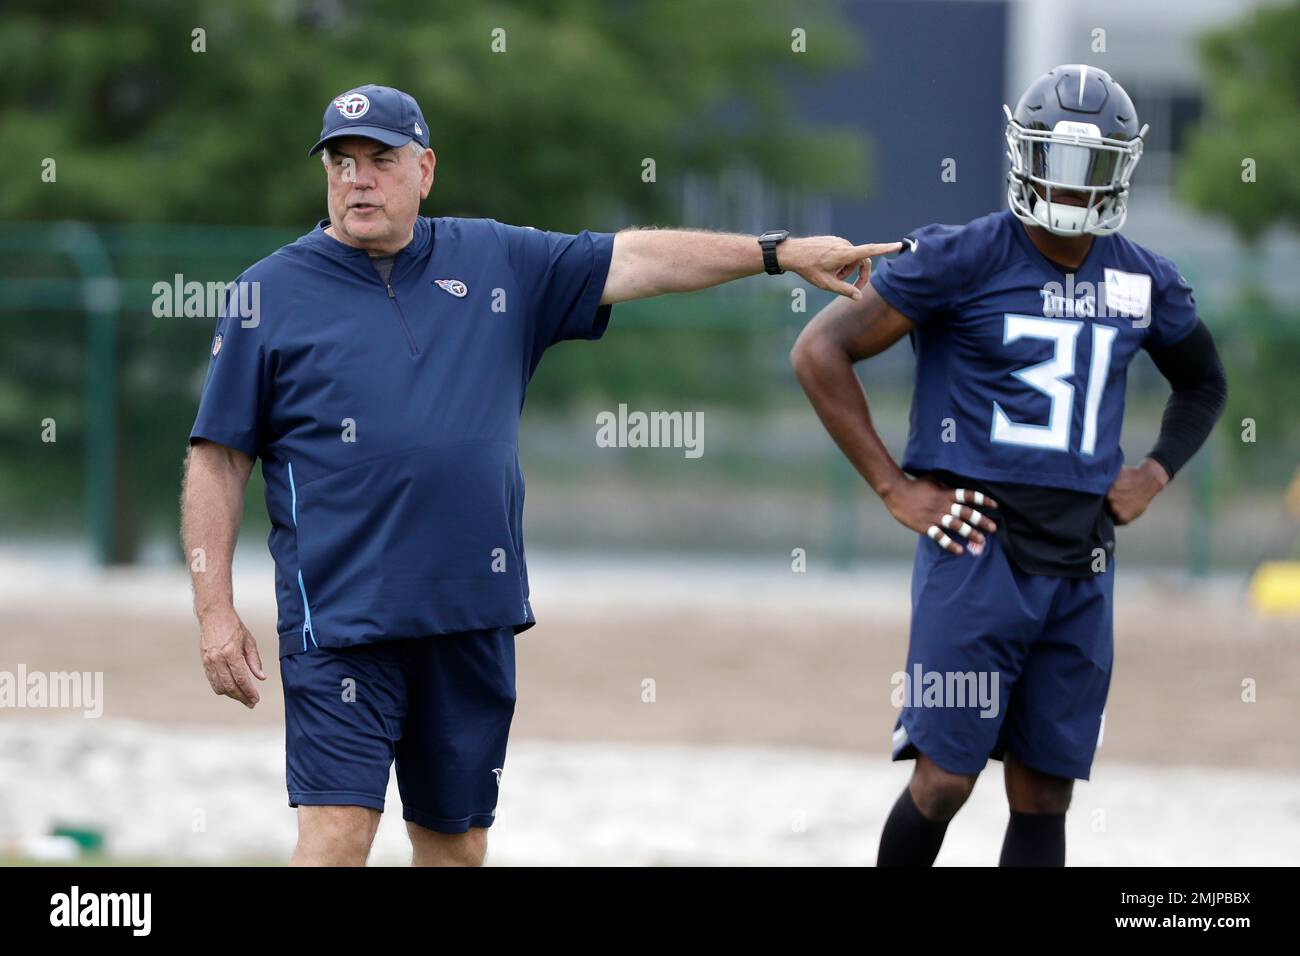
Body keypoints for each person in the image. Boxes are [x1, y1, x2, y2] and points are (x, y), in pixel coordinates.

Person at [180, 83, 899, 866]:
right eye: (341, 162)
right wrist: (214, 609)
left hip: (471, 614)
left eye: (380, 160)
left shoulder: (496, 258)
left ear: (425, 169)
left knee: (456, 846)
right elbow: (217, 456)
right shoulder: (270, 292)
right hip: (342, 623)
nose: (358, 178)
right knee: (335, 838)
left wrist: (777, 253)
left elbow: (639, 260)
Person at [790, 65, 1228, 866]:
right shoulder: (963, 256)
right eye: (1055, 161)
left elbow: (1203, 382)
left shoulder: (1141, 278)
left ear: (1122, 168)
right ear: (1021, 157)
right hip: (975, 543)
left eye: (1091, 165)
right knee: (944, 780)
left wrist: (1156, 472)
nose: (1070, 185)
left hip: (1082, 555)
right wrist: (893, 486)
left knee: (1043, 791)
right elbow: (820, 350)